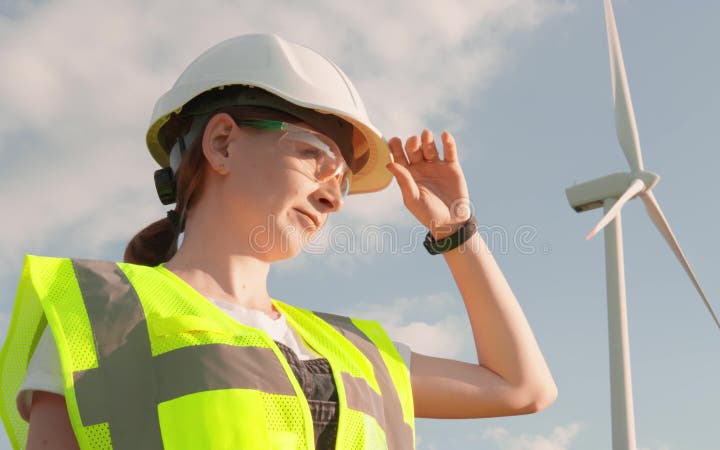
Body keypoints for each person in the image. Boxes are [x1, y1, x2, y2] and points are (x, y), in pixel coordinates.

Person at [0, 33, 557, 449]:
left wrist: (455, 229)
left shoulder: (352, 350)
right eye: (316, 155)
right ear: (222, 143)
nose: (334, 197)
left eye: (343, 180)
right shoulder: (104, 322)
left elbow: (521, 387)